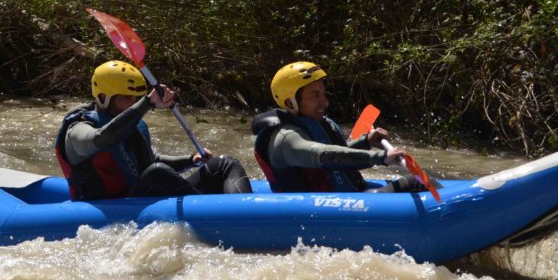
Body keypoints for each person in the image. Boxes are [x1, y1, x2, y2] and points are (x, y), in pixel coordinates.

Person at [56, 60, 252, 201]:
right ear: (103, 97)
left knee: (224, 164)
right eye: (126, 98)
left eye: (136, 98)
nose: (132, 104)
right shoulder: (78, 129)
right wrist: (146, 103)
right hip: (111, 207)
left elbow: (151, 161)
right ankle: (215, 215)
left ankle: (246, 213)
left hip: (140, 197)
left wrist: (190, 160)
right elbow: (101, 139)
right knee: (157, 173)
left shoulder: (131, 123)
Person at [251, 61, 421, 193]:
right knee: (415, 183)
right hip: (311, 212)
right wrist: (381, 157)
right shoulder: (286, 137)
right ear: (290, 102)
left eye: (323, 94)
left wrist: (365, 142)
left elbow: (337, 158)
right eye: (315, 96)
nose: (324, 102)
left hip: (339, 197)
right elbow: (324, 156)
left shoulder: (314, 123)